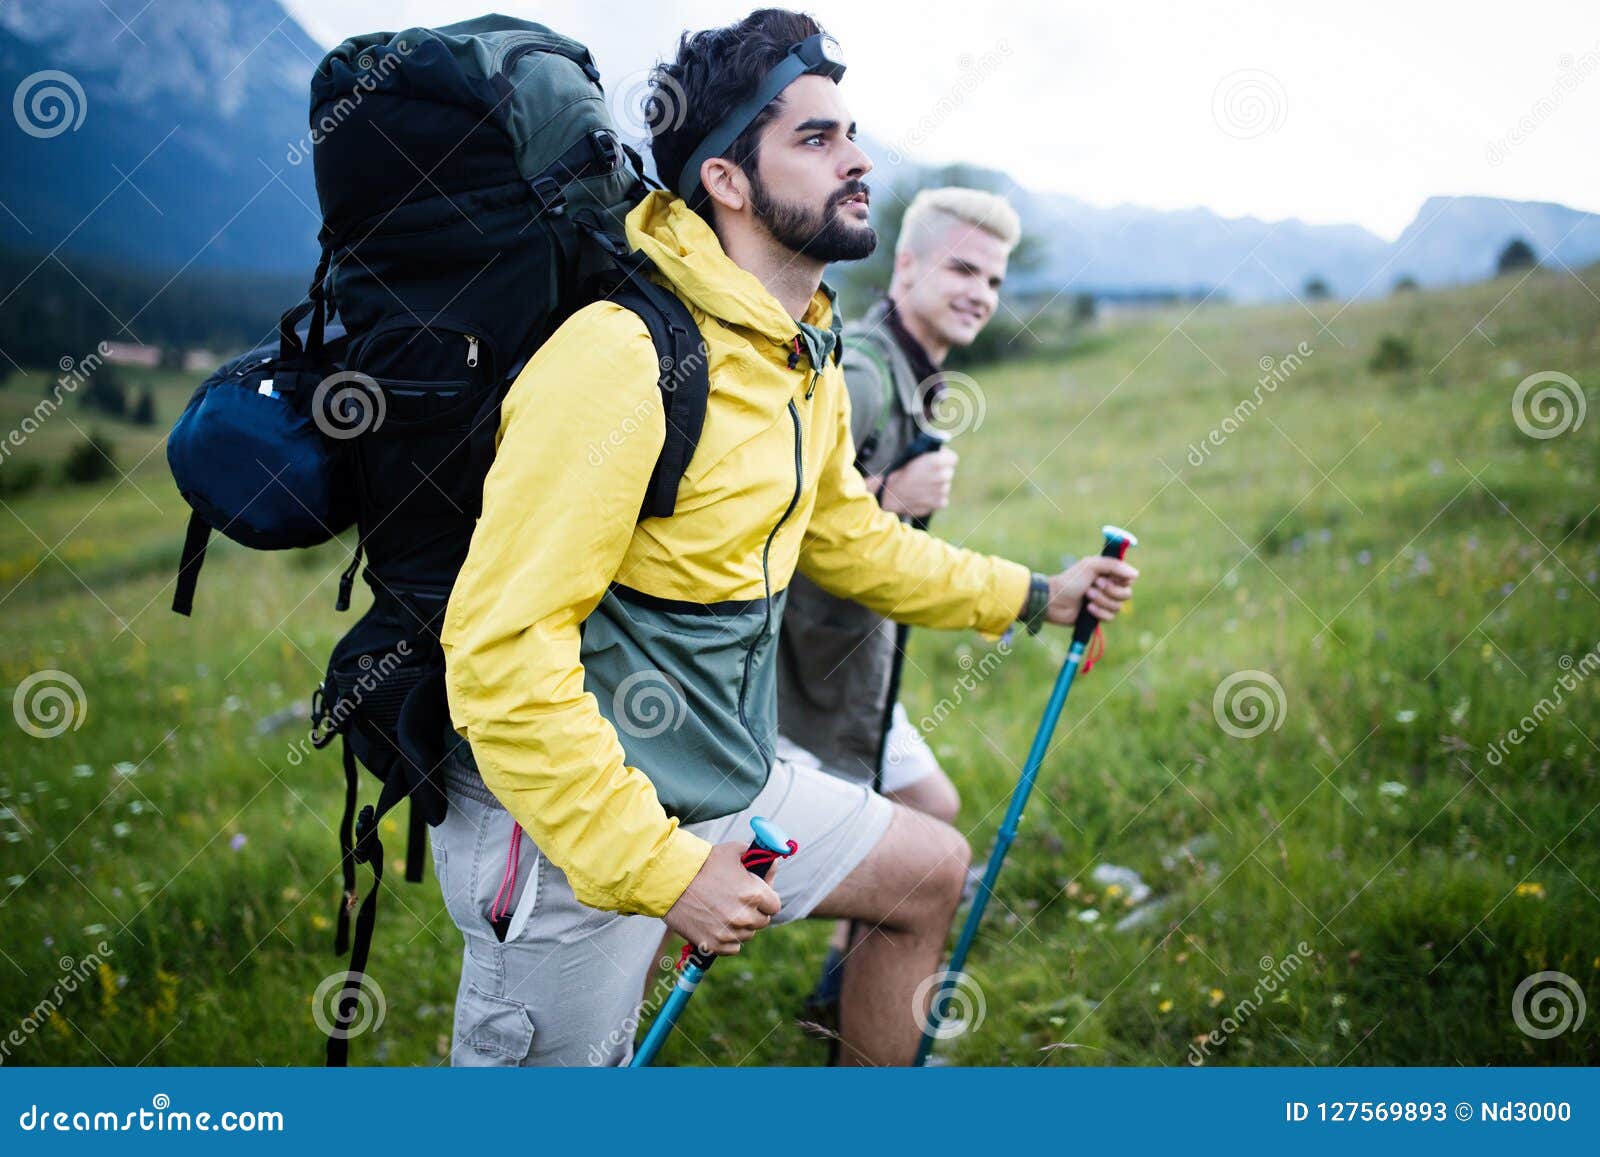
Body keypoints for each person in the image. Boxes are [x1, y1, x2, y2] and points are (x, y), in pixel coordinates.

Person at [435, 7, 1140, 1067]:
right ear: (726, 179)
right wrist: (664, 868)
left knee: (924, 873)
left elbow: (852, 540)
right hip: (570, 824)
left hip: (721, 774)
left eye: (849, 132)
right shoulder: (619, 359)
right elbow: (497, 652)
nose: (856, 159)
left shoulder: (799, 349)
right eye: (815, 138)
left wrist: (1038, 595)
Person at [775, 186, 1035, 1022]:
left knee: (930, 810)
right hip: (794, 671)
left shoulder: (911, 364)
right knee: (702, 885)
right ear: (909, 264)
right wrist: (890, 489)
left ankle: (841, 991)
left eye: (992, 280)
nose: (978, 293)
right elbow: (797, 512)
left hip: (848, 661)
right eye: (962, 267)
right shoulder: (862, 370)